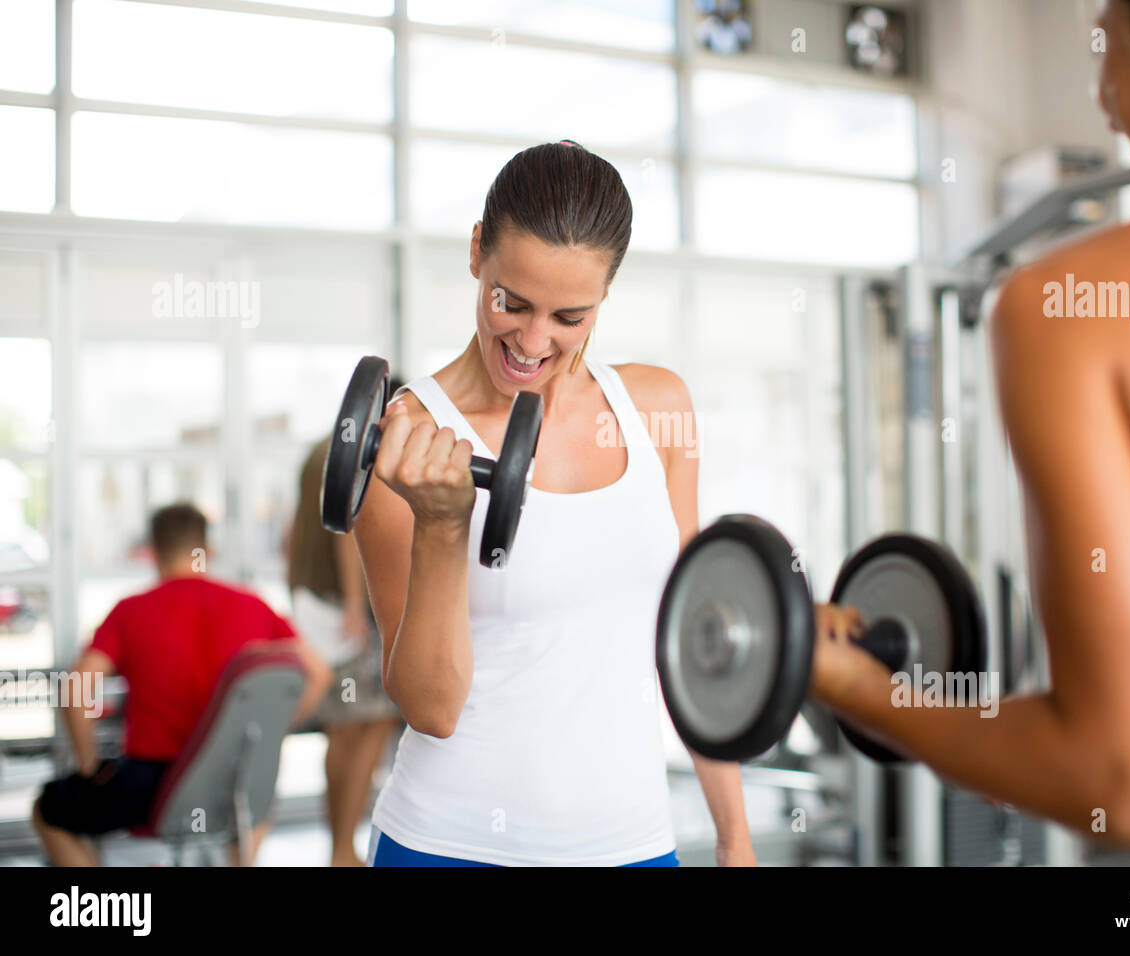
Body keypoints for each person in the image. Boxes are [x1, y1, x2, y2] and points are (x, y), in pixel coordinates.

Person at [812, 0, 1130, 864]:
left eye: (1101, 38)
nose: (1104, 95)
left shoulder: (1075, 308)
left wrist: (851, 682)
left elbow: (1128, 787)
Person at [354, 141, 756, 866]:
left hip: (633, 845)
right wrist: (444, 525)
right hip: (450, 845)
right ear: (478, 252)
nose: (532, 343)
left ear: (606, 295)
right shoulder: (407, 443)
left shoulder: (656, 409)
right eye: (511, 302)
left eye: (569, 316)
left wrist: (734, 837)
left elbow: (686, 642)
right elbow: (430, 707)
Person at [32, 503, 330, 866]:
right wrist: (276, 732)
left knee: (49, 809)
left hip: (155, 786)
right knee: (251, 805)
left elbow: (76, 688)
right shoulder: (253, 605)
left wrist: (89, 768)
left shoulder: (130, 610)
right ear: (209, 550)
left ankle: (104, 910)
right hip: (235, 782)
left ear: (152, 552)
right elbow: (319, 674)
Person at [286, 386, 404, 868]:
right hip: (344, 611)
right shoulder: (361, 452)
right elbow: (348, 533)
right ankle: (342, 850)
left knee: (344, 729)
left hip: (317, 602)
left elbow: (296, 531)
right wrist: (358, 606)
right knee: (365, 725)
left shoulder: (322, 448)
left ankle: (339, 845)